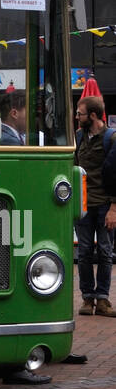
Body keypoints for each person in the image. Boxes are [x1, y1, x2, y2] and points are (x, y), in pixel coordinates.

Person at [74, 95, 116, 316]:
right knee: (84, 252)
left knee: (105, 252)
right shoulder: (79, 137)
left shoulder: (111, 138)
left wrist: (113, 209)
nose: (76, 117)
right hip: (83, 206)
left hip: (104, 206)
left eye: (80, 113)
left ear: (92, 115)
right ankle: (87, 298)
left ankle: (102, 299)